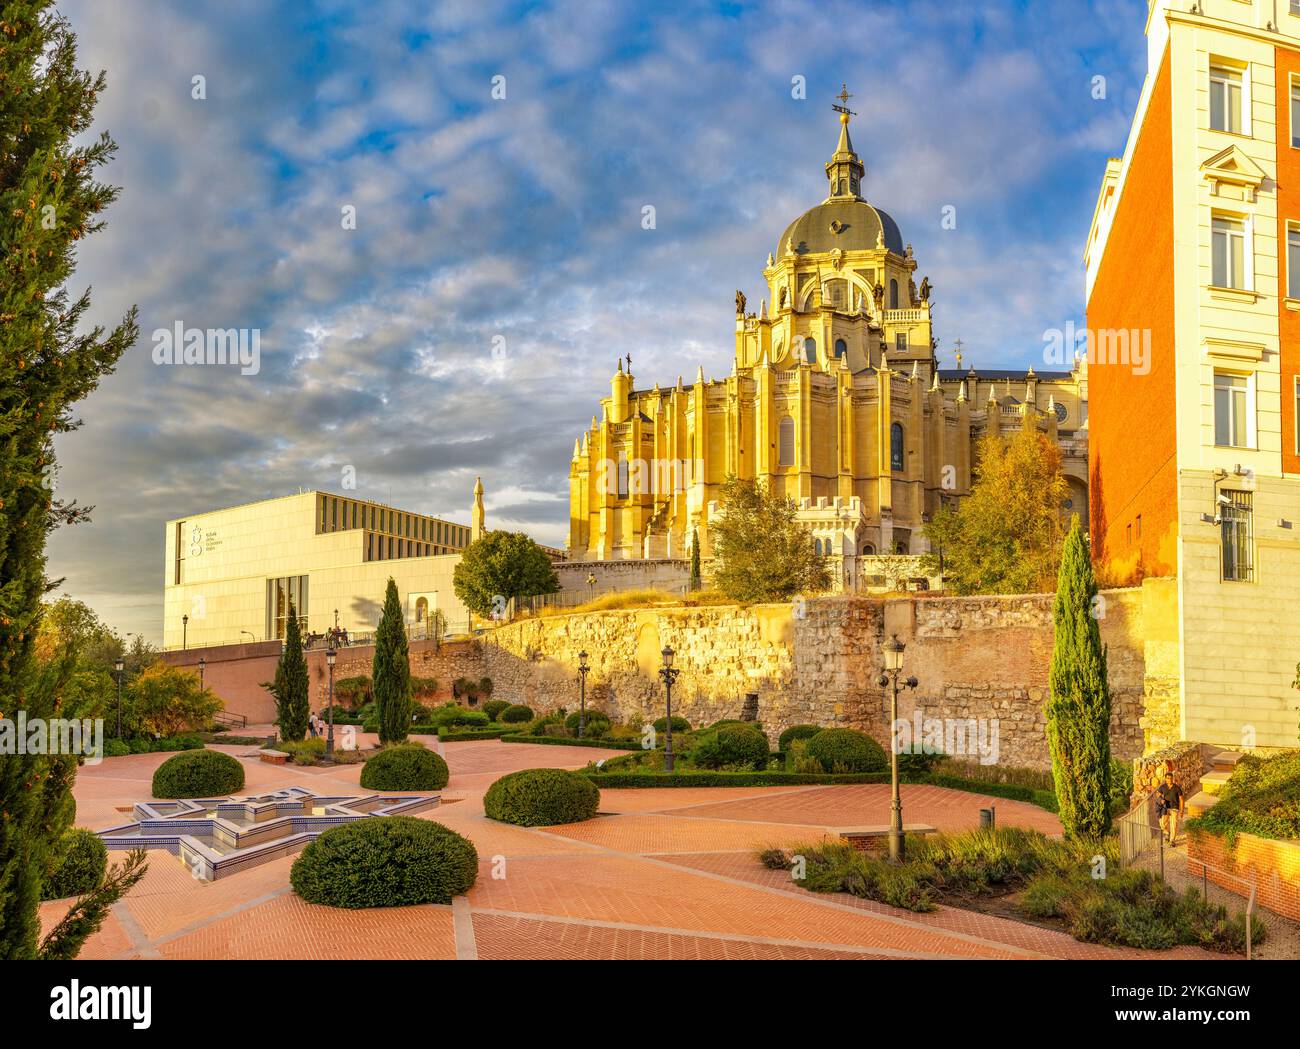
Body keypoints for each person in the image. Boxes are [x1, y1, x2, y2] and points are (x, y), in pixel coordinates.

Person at [1156, 770, 1185, 846]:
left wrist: (1181, 811)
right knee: (1162, 823)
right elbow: (1158, 795)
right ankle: (1167, 833)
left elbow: (1181, 799)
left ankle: (1172, 841)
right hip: (1165, 808)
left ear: (1173, 779)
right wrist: (1161, 799)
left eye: (1171, 778)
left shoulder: (1177, 788)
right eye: (1168, 778)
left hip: (1174, 809)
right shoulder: (1162, 787)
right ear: (1165, 779)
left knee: (1174, 825)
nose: (1169, 779)